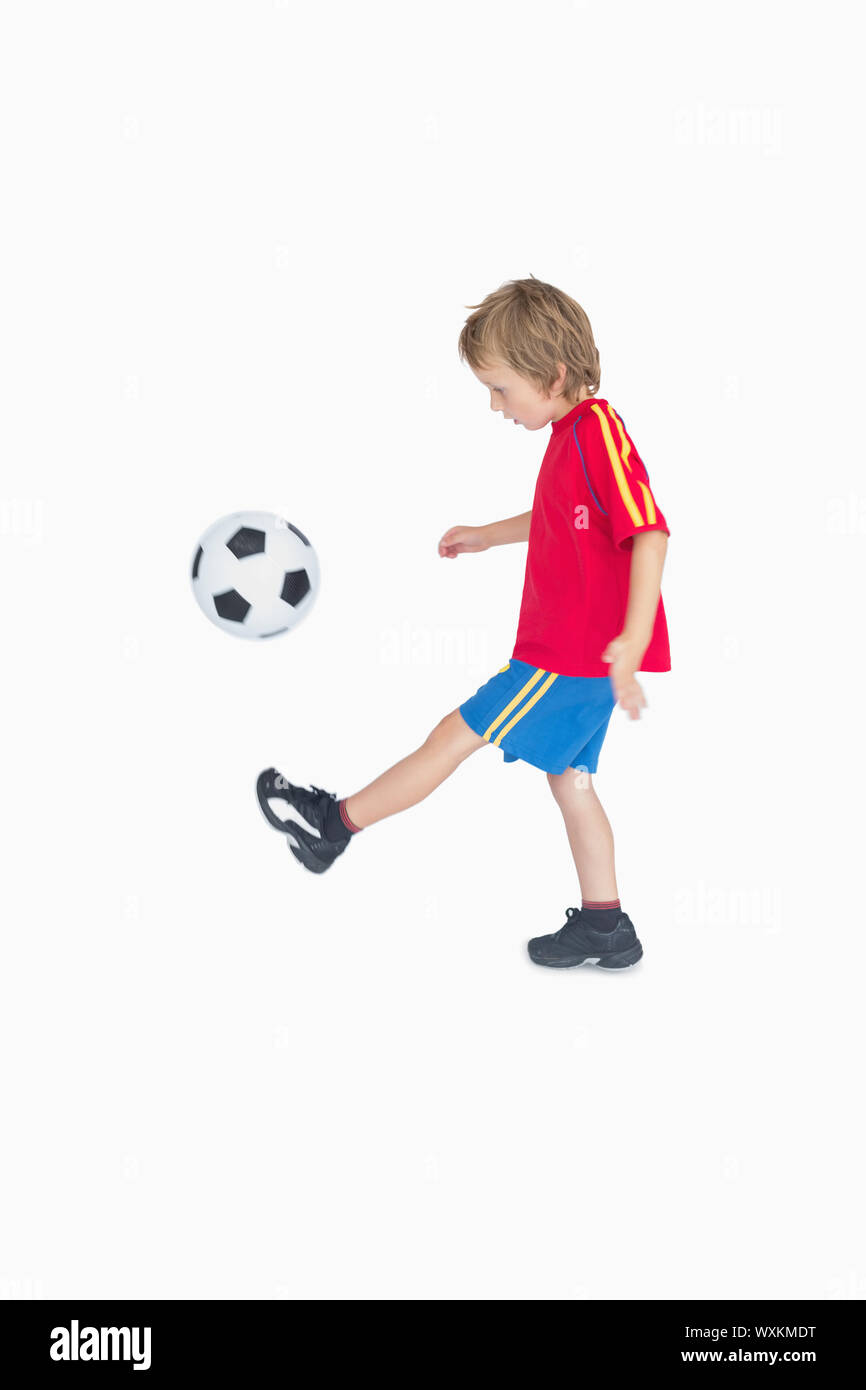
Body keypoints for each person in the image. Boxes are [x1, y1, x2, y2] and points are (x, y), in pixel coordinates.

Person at [256, 275, 671, 970]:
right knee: (571, 782)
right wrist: (488, 533)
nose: (494, 404)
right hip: (573, 657)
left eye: (502, 388)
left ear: (555, 373)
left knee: (454, 735)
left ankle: (337, 823)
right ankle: (607, 925)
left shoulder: (597, 430)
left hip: (569, 658)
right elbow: (565, 521)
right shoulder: (572, 436)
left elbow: (649, 531)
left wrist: (628, 640)